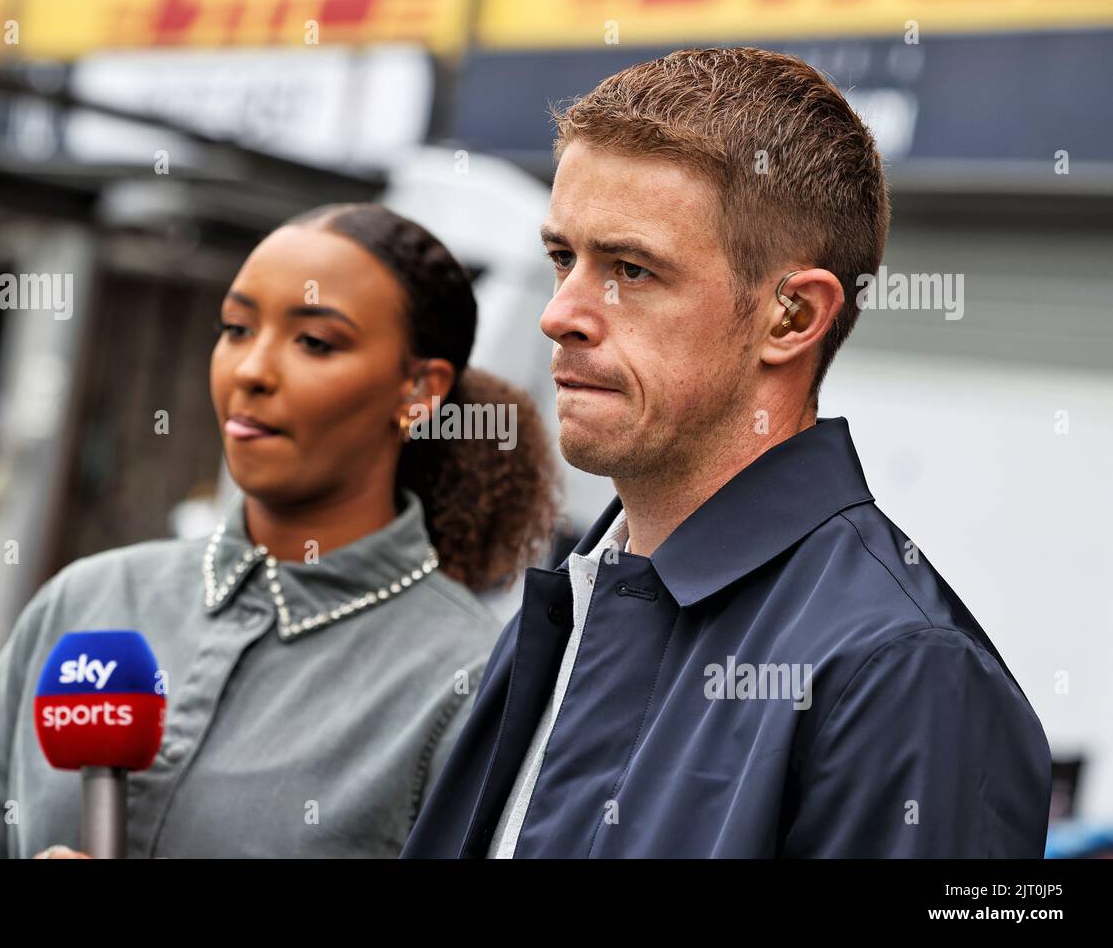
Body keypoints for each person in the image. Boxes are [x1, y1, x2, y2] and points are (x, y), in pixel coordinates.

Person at [401, 47, 1052, 858]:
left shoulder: (904, 672)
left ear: (791, 317)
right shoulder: (576, 596)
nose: (560, 313)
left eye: (631, 269)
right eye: (564, 259)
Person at [0, 203, 559, 858]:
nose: (252, 369)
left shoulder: (468, 681)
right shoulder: (89, 601)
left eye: (315, 341)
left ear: (418, 390)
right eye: (235, 328)